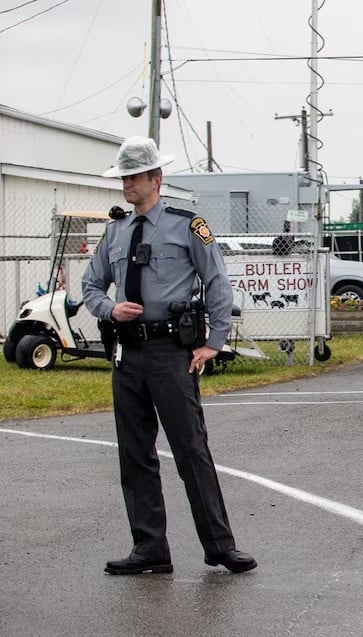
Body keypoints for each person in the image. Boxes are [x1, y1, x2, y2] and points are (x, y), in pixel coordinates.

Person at [81, 137, 256, 575]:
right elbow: (89, 286)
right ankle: (150, 549)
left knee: (190, 450)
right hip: (128, 353)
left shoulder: (187, 225)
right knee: (135, 454)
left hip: (169, 353)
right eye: (123, 177)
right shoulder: (116, 230)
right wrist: (110, 308)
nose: (127, 184)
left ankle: (220, 546)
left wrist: (215, 341)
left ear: (156, 179)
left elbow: (216, 281)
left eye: (134, 177)